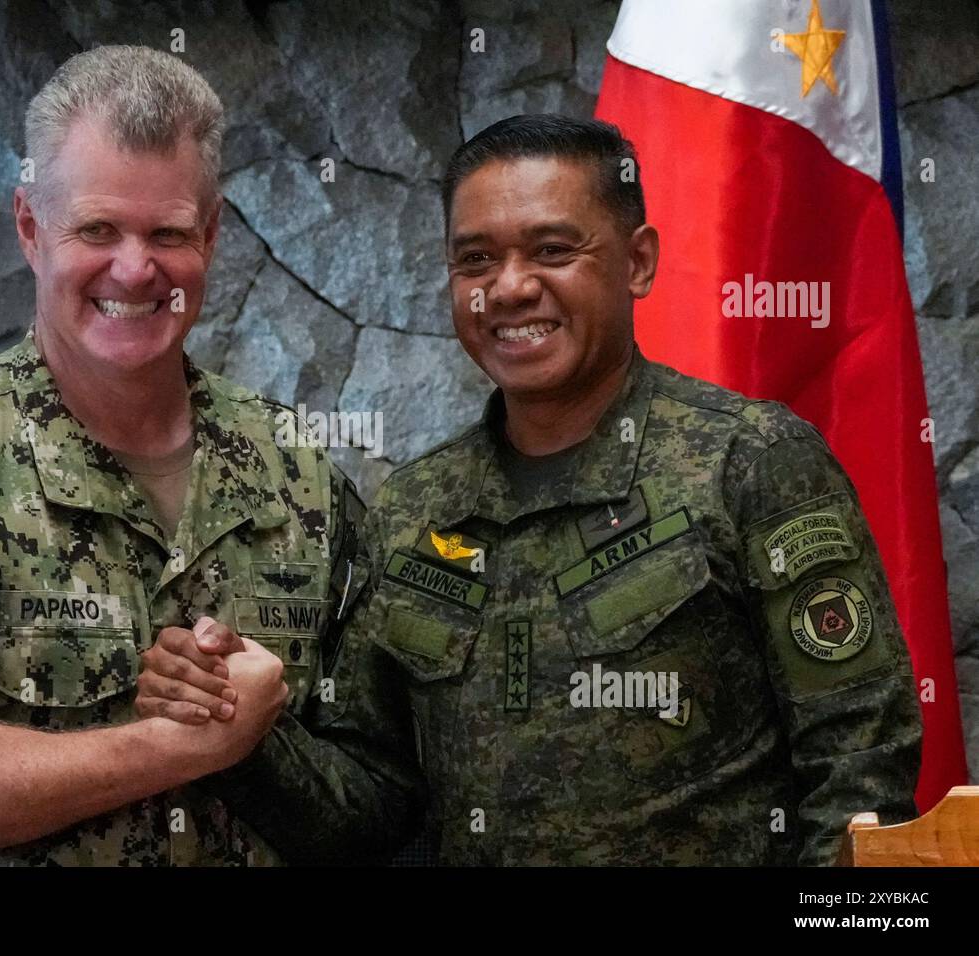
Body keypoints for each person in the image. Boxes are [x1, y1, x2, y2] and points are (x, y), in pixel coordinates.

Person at [139, 114, 923, 866]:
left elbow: (859, 768)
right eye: (475, 260)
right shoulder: (416, 511)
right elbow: (369, 810)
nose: (508, 289)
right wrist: (239, 731)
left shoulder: (749, 462)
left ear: (638, 261)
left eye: (552, 249)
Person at [0, 44, 420, 865]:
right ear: (31, 227)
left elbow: (378, 805)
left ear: (209, 235)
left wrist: (257, 738)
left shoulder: (300, 471)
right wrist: (184, 743)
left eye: (168, 232)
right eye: (97, 229)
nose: (135, 269)